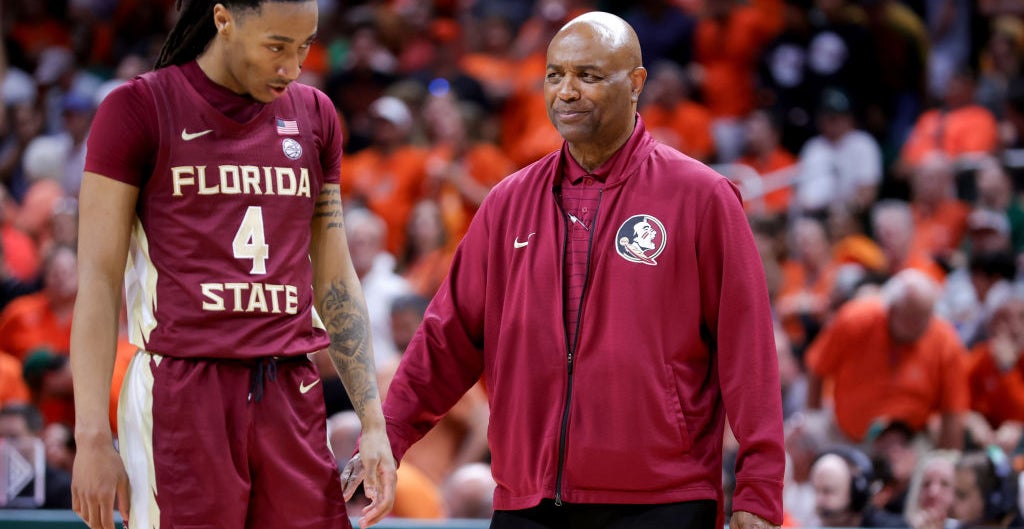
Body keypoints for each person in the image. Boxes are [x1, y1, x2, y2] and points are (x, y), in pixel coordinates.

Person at [343, 11, 785, 529]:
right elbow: (447, 339)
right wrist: (386, 436)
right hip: (528, 500)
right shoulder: (507, 202)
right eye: (555, 75)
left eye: (588, 76)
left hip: (662, 498)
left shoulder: (701, 197)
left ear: (636, 83)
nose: (566, 92)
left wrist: (758, 493)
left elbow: (747, 349)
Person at [68, 2, 396, 529]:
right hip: (183, 389)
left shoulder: (315, 115)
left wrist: (373, 423)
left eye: (304, 46)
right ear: (223, 20)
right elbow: (98, 282)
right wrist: (90, 437)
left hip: (290, 387)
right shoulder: (138, 108)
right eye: (276, 46)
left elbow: (335, 278)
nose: (292, 66)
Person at [805, 269, 969, 448]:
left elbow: (953, 411)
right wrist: (813, 415)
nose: (919, 325)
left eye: (925, 317)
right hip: (845, 436)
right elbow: (817, 367)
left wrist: (948, 459)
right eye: (911, 316)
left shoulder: (946, 343)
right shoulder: (855, 320)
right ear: (891, 308)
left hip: (909, 444)